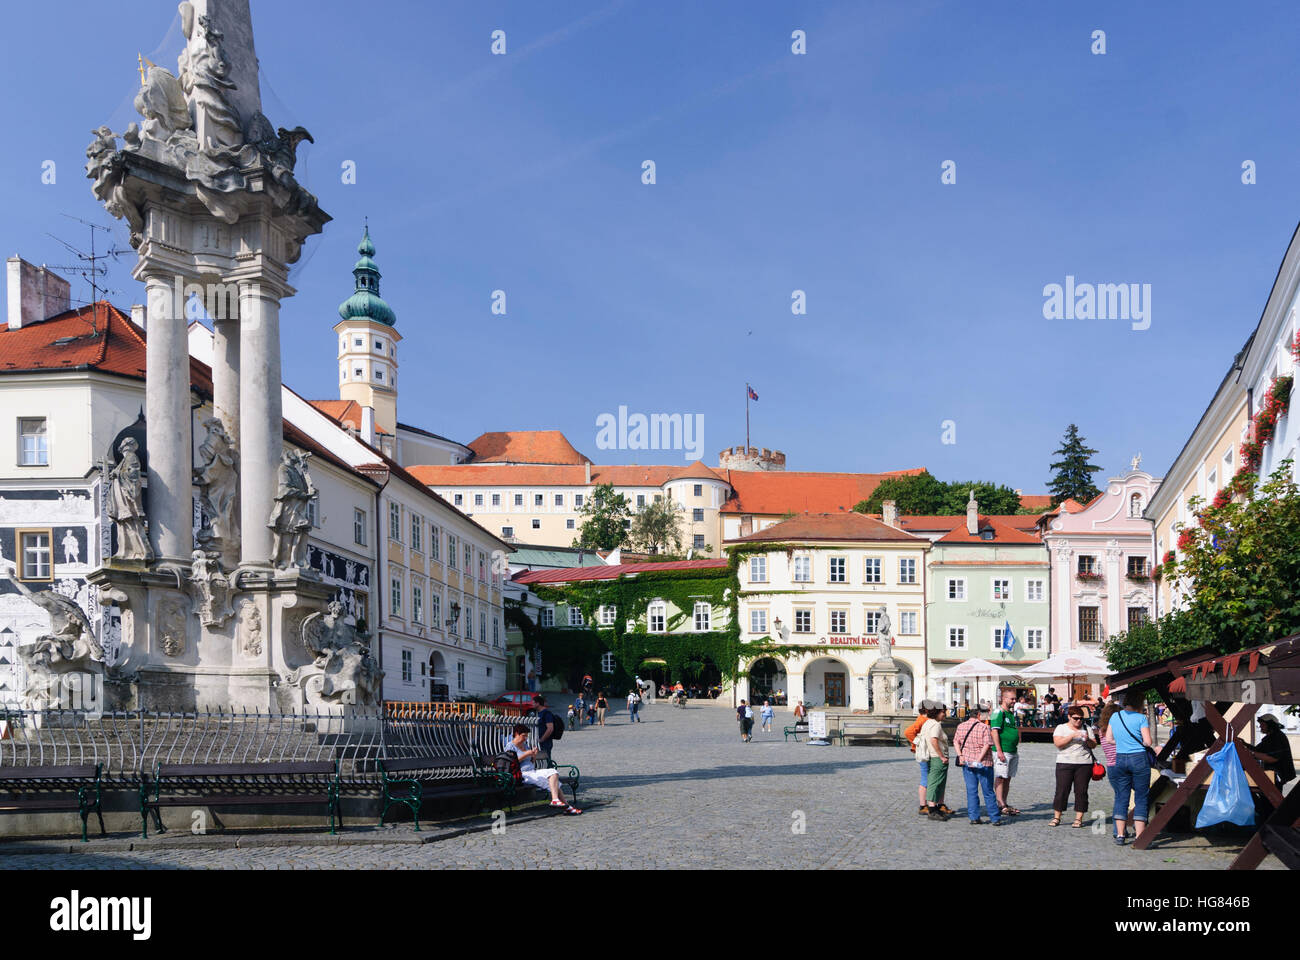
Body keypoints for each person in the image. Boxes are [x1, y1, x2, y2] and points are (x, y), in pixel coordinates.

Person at [1105, 689, 1153, 845]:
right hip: (1138, 758)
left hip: (1120, 758)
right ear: (1139, 702)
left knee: (1121, 796)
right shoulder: (1141, 718)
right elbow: (1148, 742)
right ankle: (1139, 837)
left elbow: (1109, 739)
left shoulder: (1115, 716)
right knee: (1141, 797)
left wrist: (1123, 743)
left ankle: (1120, 835)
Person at [505, 723, 582, 814]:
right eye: (523, 736)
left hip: (532, 771)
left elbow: (530, 761)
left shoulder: (524, 745)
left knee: (553, 772)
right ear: (516, 734)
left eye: (526, 736)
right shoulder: (510, 746)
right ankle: (567, 807)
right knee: (554, 784)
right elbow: (511, 762)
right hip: (522, 774)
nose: (525, 738)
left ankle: (556, 800)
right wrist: (527, 754)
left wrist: (533, 755)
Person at [955, 701, 1003, 825]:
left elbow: (955, 742)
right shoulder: (984, 727)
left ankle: (974, 817)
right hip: (984, 763)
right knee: (988, 791)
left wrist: (960, 755)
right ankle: (995, 818)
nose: (987, 716)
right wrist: (979, 759)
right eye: (986, 714)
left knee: (971, 791)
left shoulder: (961, 726)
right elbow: (987, 744)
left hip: (967, 762)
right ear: (979, 715)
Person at [1051, 706, 1098, 827]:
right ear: (1069, 717)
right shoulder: (1061, 728)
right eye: (1075, 718)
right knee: (1061, 790)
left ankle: (1078, 819)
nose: (1078, 721)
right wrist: (1072, 736)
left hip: (1084, 763)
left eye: (1081, 719)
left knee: (1081, 791)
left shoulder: (1087, 728)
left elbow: (1094, 745)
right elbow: (1058, 744)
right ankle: (1057, 817)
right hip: (1064, 762)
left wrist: (1087, 739)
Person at [915, 704, 950, 820]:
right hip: (937, 757)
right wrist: (941, 756)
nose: (945, 714)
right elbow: (933, 740)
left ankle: (934, 807)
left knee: (934, 782)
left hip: (931, 756)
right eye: (943, 712)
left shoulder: (927, 723)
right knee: (935, 782)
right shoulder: (935, 725)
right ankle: (932, 809)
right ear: (937, 713)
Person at [990, 689, 1022, 817]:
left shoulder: (1010, 713)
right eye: (1012, 699)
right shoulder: (998, 712)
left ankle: (1004, 802)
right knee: (1000, 777)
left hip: (1012, 750)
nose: (1014, 701)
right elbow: (994, 731)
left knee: (1007, 777)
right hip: (1003, 750)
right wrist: (999, 750)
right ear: (1004, 699)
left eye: (1015, 699)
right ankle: (1000, 804)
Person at [1249, 713, 1296, 788]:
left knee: (1273, 798)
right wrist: (1244, 744)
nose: (1260, 726)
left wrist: (1251, 753)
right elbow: (1257, 749)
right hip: (1272, 774)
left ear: (1270, 725)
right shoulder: (1270, 737)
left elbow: (1273, 758)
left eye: (1263, 724)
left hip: (1278, 775)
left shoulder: (1278, 737)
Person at [905, 702, 931, 816]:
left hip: (924, 752)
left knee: (926, 777)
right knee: (925, 777)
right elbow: (908, 732)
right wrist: (917, 743)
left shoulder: (923, 719)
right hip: (923, 753)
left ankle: (926, 804)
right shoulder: (922, 720)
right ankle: (923, 805)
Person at [534, 695, 557, 765]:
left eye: (533, 703)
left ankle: (550, 774)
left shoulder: (546, 713)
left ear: (537, 703)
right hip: (541, 742)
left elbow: (550, 728)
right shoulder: (539, 713)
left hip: (545, 742)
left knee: (546, 761)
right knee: (541, 761)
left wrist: (542, 739)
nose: (532, 704)